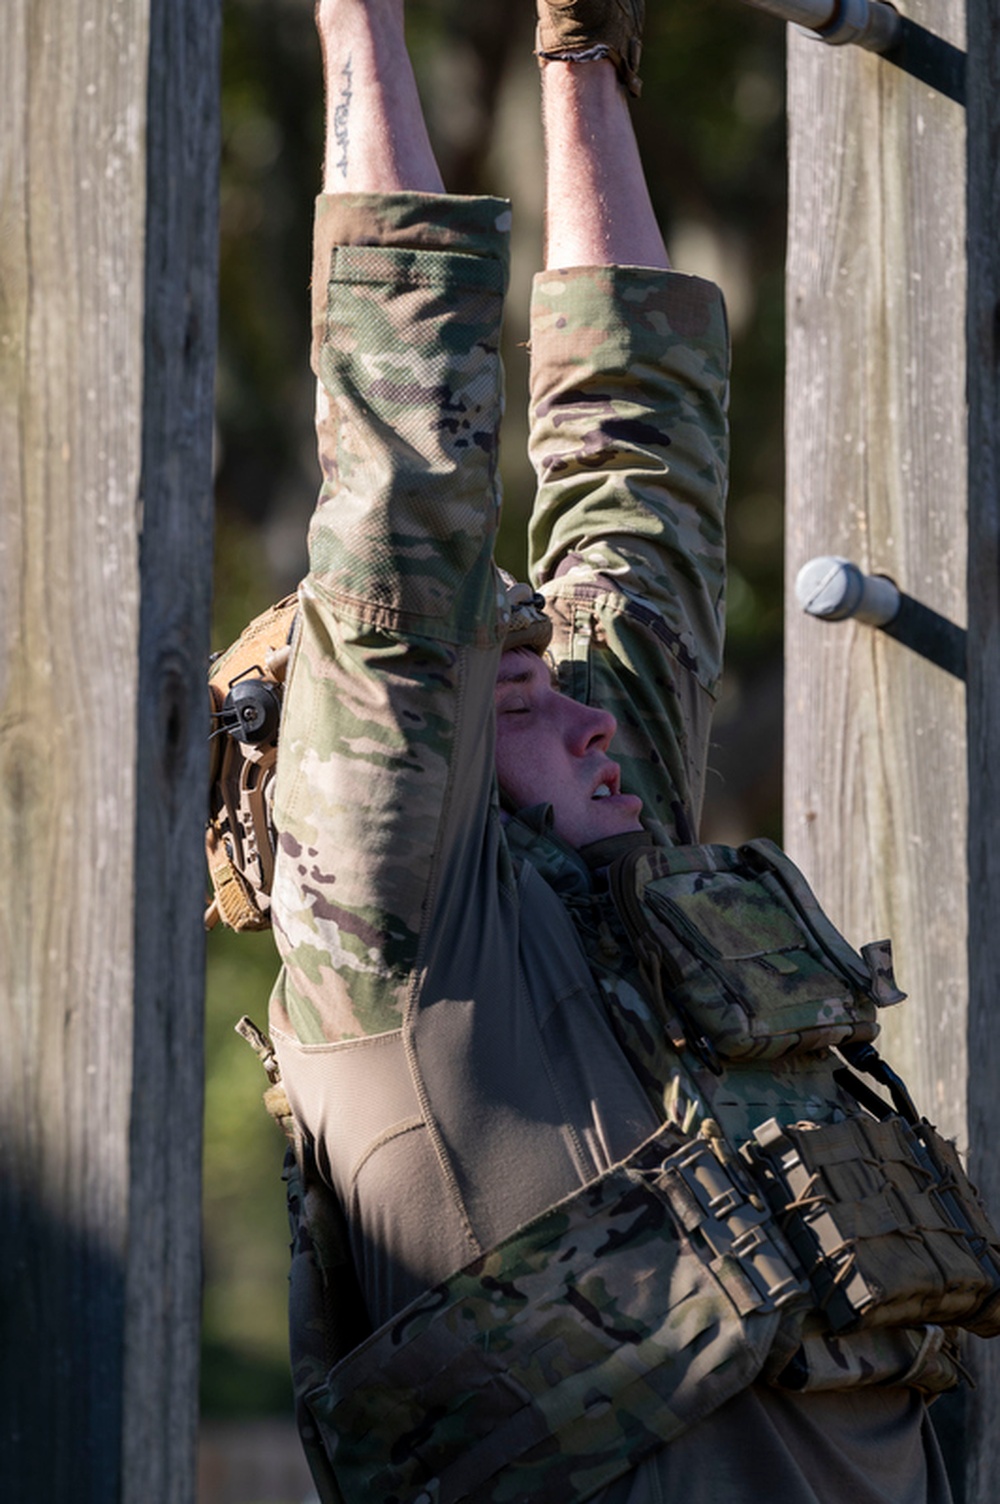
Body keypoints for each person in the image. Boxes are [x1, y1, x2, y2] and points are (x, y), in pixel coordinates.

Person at [251, 1, 968, 1499]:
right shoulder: (410, 964)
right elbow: (403, 483)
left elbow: (634, 470)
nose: (583, 705)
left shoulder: (600, 914)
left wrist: (579, 53)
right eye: (516, 697)